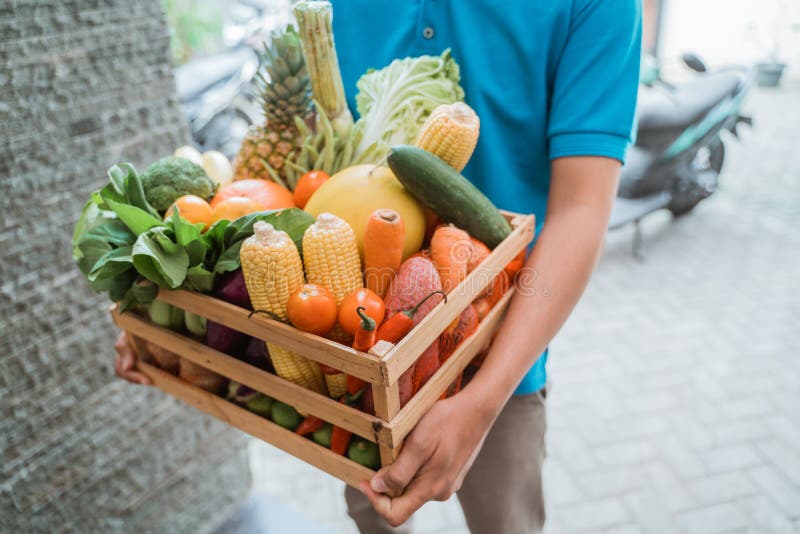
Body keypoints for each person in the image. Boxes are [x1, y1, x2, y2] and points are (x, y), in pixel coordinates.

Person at [116, 1, 641, 532]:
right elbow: (311, 157)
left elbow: (582, 208)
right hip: (357, 357)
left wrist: (483, 402)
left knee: (506, 522)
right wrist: (159, 302)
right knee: (376, 517)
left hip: (501, 356)